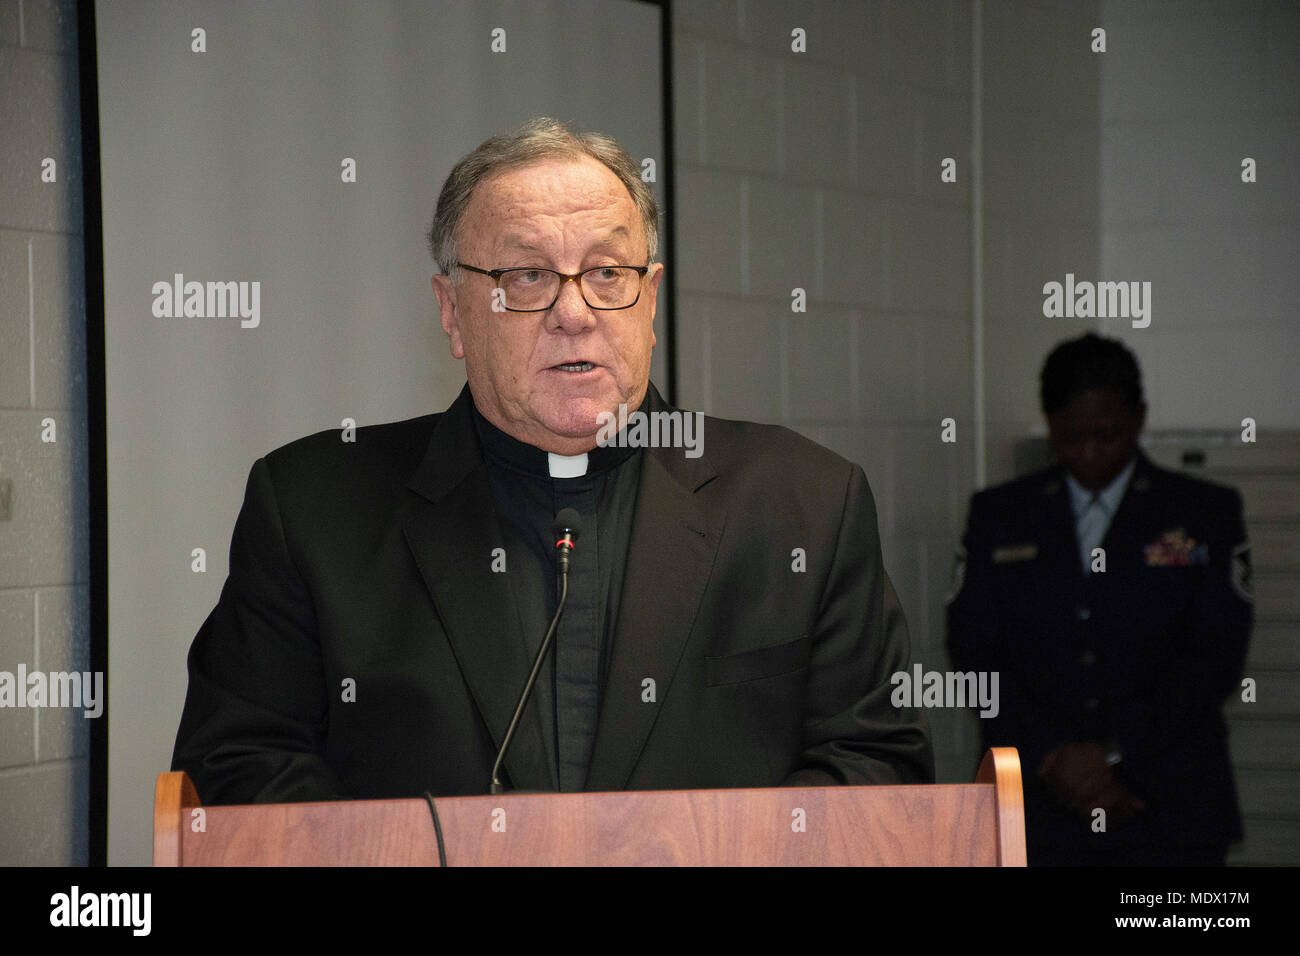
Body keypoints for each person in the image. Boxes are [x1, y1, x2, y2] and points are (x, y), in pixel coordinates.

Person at [172, 117, 933, 803]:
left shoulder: (804, 502)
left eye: (608, 273)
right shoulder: (314, 506)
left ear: (650, 298)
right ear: (452, 311)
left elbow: (877, 763)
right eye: (527, 277)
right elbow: (242, 764)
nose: (575, 312)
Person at [946, 333, 1253, 865]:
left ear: (1139, 418)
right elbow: (974, 650)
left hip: (1170, 805)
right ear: (1049, 422)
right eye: (1070, 438)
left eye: (1107, 436)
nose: (1088, 454)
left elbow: (1215, 654)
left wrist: (1113, 753)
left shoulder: (1203, 513)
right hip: (1038, 807)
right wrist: (1054, 757)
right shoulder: (1000, 515)